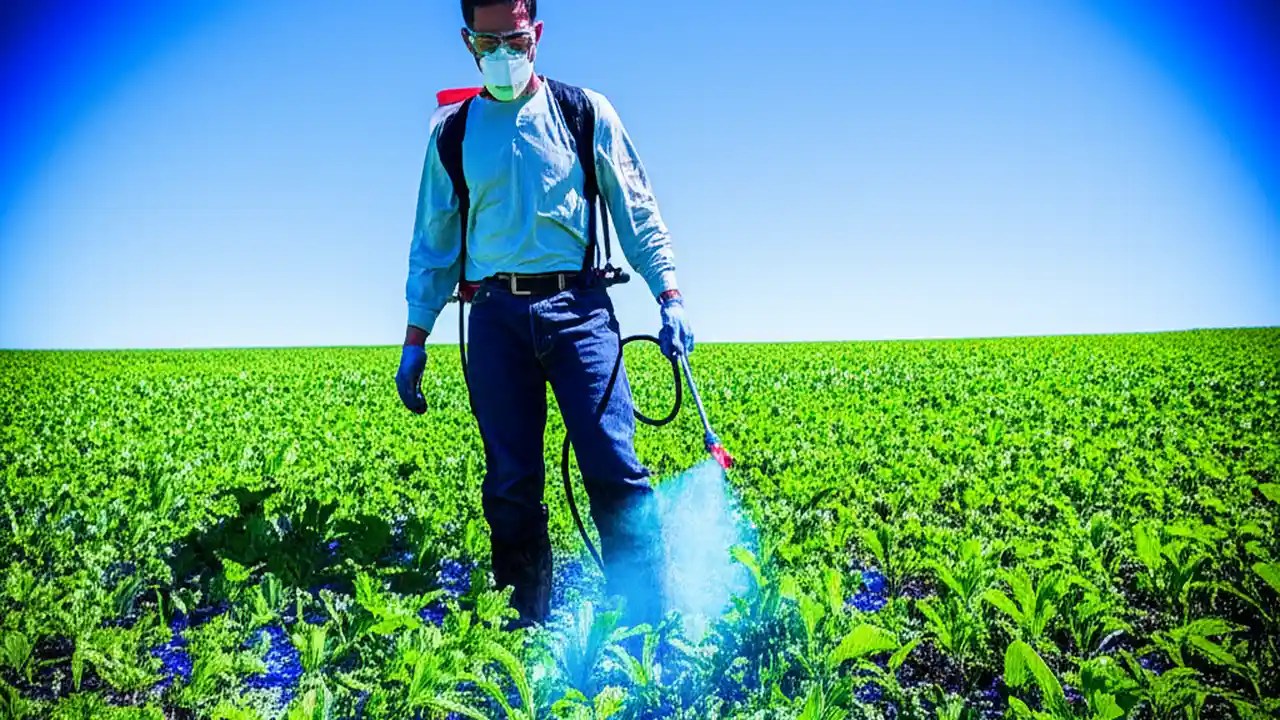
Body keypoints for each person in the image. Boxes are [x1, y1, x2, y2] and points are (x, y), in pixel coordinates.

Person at [394, 0, 695, 629]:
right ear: (467, 41)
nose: (504, 51)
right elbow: (434, 243)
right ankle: (528, 632)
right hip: (495, 316)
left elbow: (636, 209)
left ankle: (649, 626)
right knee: (510, 484)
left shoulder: (584, 112)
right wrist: (415, 337)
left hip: (580, 309)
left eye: (516, 37)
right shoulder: (452, 132)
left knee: (614, 466)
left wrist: (669, 293)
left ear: (537, 34)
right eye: (489, 40)